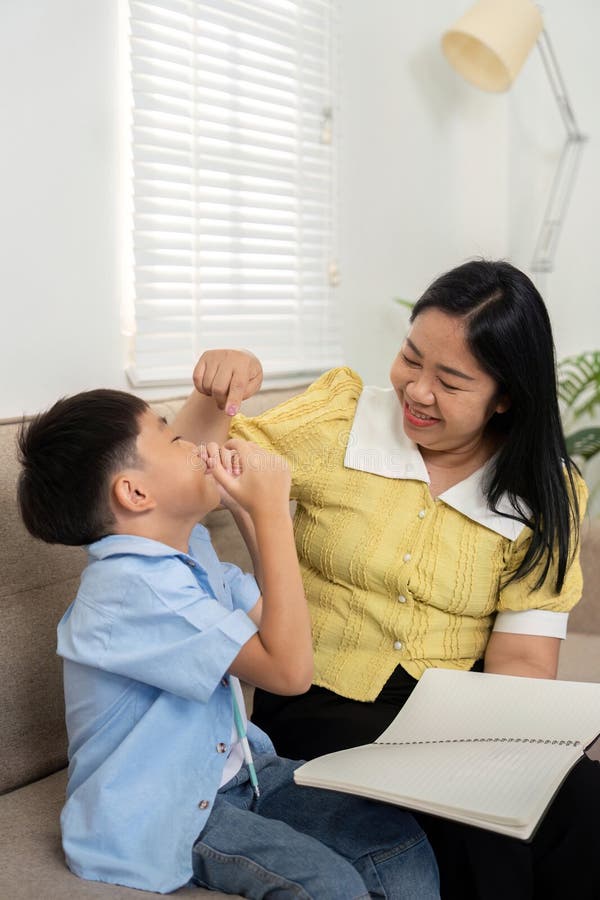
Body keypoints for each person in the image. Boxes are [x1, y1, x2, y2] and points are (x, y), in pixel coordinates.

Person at [190, 260, 599, 900]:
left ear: (506, 394)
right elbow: (189, 479)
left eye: (451, 381)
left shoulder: (548, 492)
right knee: (475, 826)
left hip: (458, 720)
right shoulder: (339, 420)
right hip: (321, 704)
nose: (417, 390)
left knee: (578, 801)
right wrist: (213, 395)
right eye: (411, 358)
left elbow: (523, 659)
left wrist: (492, 755)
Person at [16, 388, 440, 898]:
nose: (196, 448)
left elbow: (278, 629)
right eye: (173, 439)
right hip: (169, 803)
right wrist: (271, 514)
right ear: (135, 494)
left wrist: (248, 513)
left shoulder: (188, 551)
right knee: (330, 885)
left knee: (393, 840)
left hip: (246, 775)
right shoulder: (130, 591)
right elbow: (289, 673)